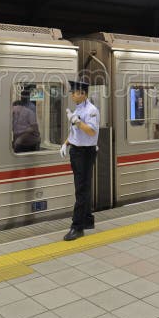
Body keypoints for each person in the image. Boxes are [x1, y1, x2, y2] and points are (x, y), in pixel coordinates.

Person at [60, 78, 99, 241]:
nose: (72, 95)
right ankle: (87, 219)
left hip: (85, 153)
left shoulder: (91, 110)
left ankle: (77, 227)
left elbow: (91, 131)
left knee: (81, 189)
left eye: (74, 93)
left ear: (83, 94)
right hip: (77, 151)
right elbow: (75, 133)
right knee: (83, 187)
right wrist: (66, 143)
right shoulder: (77, 109)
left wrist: (76, 121)